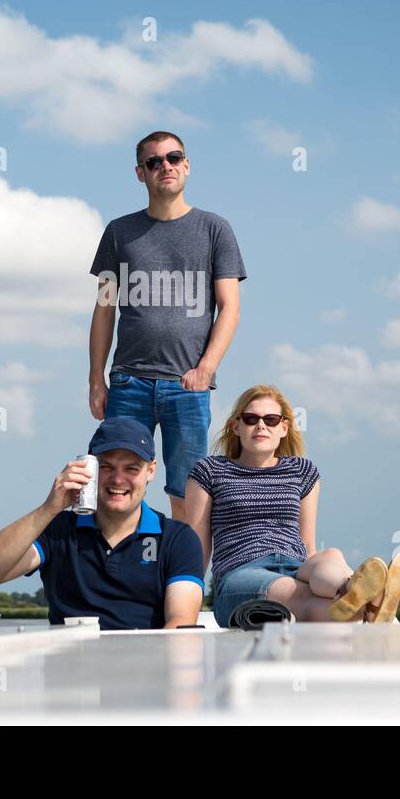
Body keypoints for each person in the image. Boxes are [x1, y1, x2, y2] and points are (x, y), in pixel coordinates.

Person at [88, 131, 246, 522]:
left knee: (189, 497)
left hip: (187, 386)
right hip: (128, 384)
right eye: (154, 162)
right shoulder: (118, 233)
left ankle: (185, 583)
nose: (166, 166)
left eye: (173, 158)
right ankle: (123, 581)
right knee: (116, 491)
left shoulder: (215, 229)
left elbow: (229, 308)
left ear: (187, 165)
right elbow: (104, 309)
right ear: (140, 173)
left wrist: (206, 369)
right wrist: (96, 378)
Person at [184, 384, 400, 627]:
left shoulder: (302, 471)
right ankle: (371, 603)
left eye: (271, 419)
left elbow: (307, 545)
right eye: (251, 419)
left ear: (284, 427)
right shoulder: (210, 471)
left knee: (331, 556)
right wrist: (186, 603)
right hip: (241, 574)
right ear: (236, 426)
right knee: (302, 595)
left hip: (295, 564)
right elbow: (196, 549)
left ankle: (357, 591)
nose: (261, 425)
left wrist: (318, 567)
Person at [0, 417, 205, 630]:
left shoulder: (177, 538)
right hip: (70, 670)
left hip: (142, 669)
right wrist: (49, 508)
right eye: (106, 467)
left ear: (150, 471)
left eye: (132, 468)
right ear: (88, 468)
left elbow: (181, 621)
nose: (118, 479)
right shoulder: (57, 530)